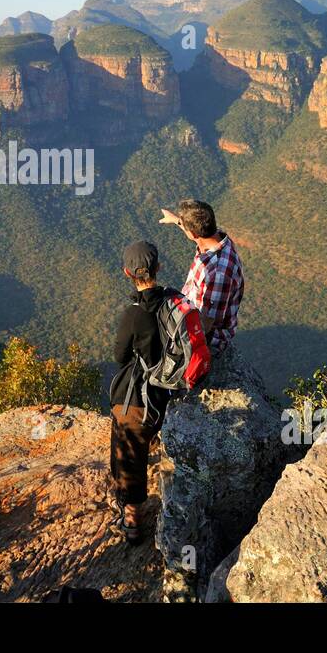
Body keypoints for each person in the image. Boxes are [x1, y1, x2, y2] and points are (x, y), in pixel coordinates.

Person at [108, 240, 176, 545]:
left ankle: (132, 521)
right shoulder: (175, 302)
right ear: (158, 268)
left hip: (140, 399)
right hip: (169, 395)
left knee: (128, 457)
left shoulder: (133, 315)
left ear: (127, 273)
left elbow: (120, 357)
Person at [159, 199, 244, 359]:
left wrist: (175, 339)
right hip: (191, 306)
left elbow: (206, 323)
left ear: (193, 234)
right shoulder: (217, 238)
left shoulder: (218, 273)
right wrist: (176, 220)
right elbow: (196, 230)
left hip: (209, 338)